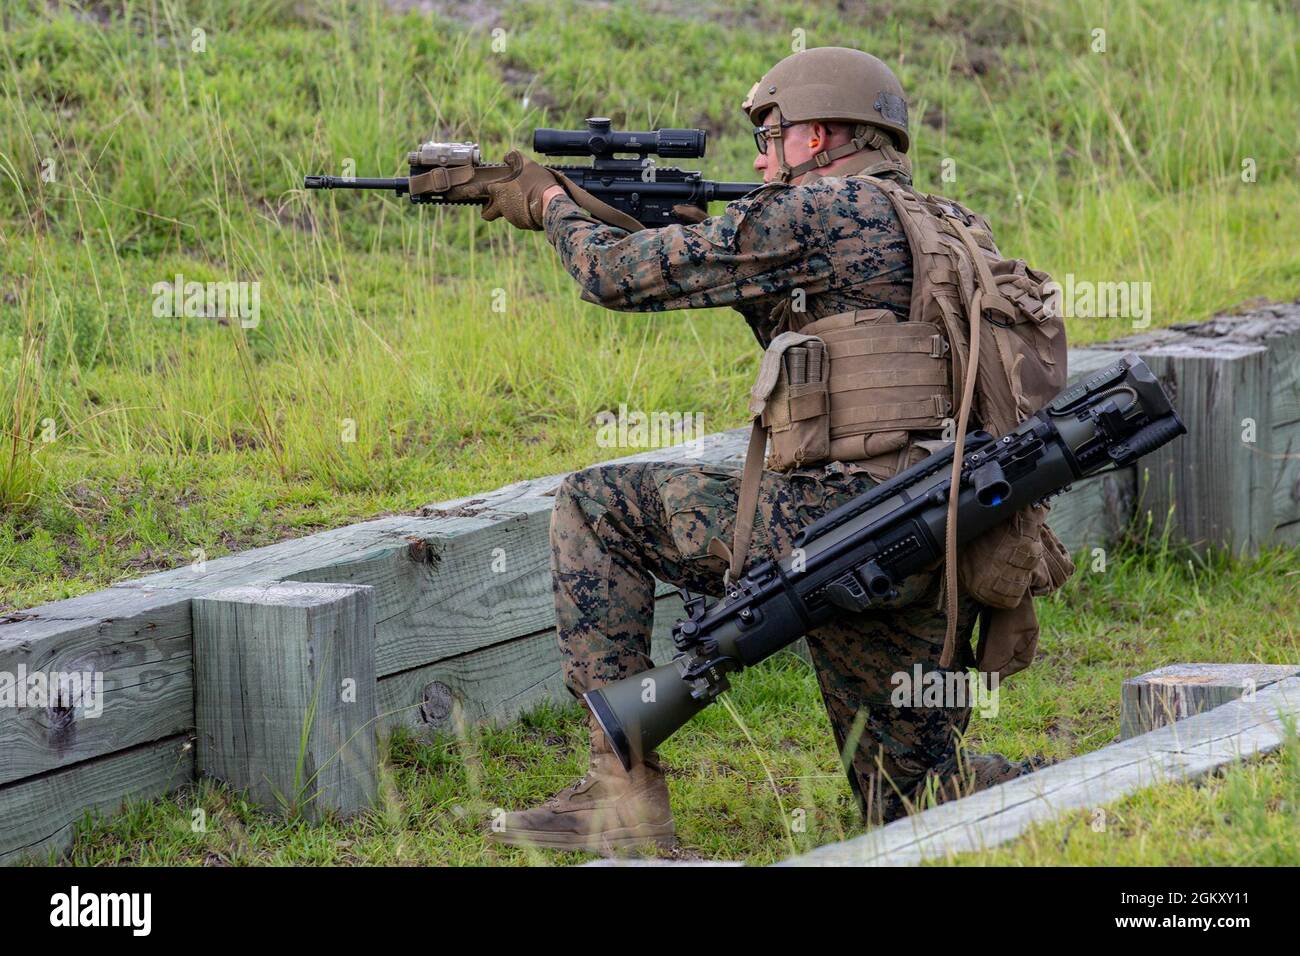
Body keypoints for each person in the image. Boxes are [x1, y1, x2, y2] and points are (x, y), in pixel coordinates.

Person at [478, 47, 1053, 856]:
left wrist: (549, 204)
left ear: (817, 137)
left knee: (595, 506)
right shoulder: (947, 222)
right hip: (933, 530)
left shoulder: (818, 211)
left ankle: (620, 792)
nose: (759, 157)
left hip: (830, 524)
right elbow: (818, 339)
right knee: (913, 805)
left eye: (771, 136)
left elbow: (611, 278)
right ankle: (1024, 789)